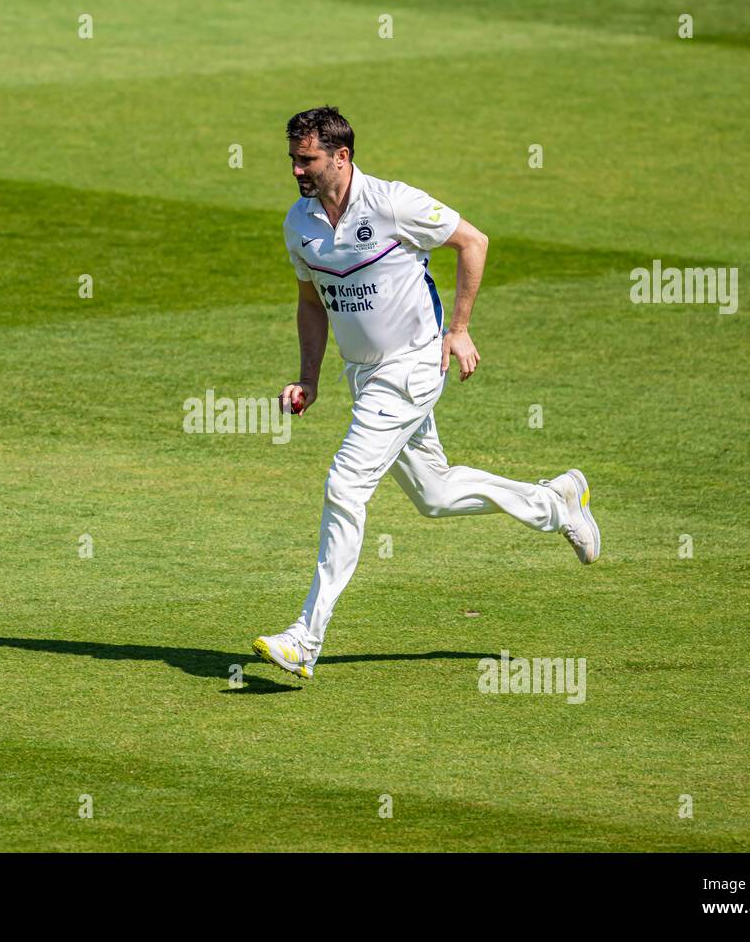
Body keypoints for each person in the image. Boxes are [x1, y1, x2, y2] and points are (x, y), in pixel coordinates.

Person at [253, 106, 600, 680]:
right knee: (434, 494)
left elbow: (473, 242)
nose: (296, 170)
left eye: (306, 159)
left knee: (345, 482)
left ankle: (304, 640)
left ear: (341, 157)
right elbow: (312, 301)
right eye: (292, 158)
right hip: (363, 375)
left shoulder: (393, 203)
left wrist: (458, 329)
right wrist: (309, 377)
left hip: (412, 366)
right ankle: (554, 502)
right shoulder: (301, 223)